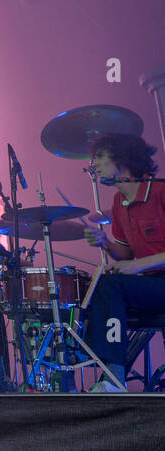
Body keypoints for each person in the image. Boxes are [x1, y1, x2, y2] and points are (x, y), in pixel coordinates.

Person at [81, 132, 165, 392]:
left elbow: (133, 263)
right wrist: (104, 242)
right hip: (153, 286)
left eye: (101, 158)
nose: (95, 165)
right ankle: (106, 372)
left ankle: (113, 378)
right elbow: (125, 255)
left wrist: (138, 266)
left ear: (122, 159)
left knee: (110, 286)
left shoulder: (161, 191)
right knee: (102, 285)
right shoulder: (119, 202)